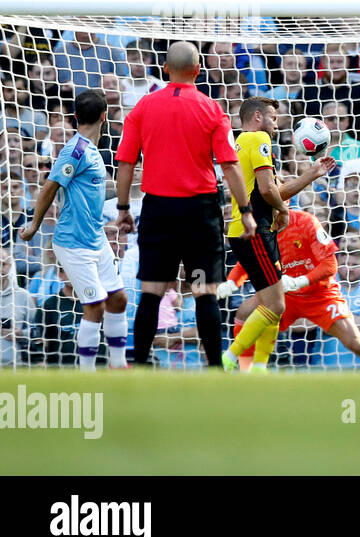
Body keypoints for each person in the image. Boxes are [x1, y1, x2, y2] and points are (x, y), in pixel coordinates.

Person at [114, 41, 255, 367]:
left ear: (165, 68)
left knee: (151, 290)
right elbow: (230, 164)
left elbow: (126, 162)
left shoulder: (144, 107)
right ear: (198, 70)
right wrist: (245, 210)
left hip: (159, 208)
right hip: (199, 211)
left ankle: (140, 363)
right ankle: (214, 366)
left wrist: (123, 208)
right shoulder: (212, 109)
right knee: (204, 289)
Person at [218, 208, 360, 373]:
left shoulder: (306, 222)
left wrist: (301, 281)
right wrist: (232, 282)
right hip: (285, 295)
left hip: (321, 296)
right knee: (245, 311)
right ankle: (247, 374)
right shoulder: (259, 228)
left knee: (357, 345)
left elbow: (331, 265)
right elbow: (250, 260)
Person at [18, 90, 127, 371]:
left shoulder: (90, 151)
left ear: (75, 116)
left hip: (96, 237)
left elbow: (92, 192)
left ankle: (118, 366)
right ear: (105, 116)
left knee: (118, 298)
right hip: (73, 243)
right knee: (95, 307)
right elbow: (49, 187)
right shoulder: (75, 150)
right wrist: (34, 225)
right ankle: (88, 374)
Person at [214, 97, 299, 373]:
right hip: (255, 232)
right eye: (274, 117)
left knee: (271, 304)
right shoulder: (259, 138)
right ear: (259, 117)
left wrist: (310, 174)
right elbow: (267, 190)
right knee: (275, 305)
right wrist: (282, 211)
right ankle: (230, 357)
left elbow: (272, 189)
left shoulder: (241, 142)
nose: (277, 123)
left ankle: (259, 370)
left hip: (246, 230)